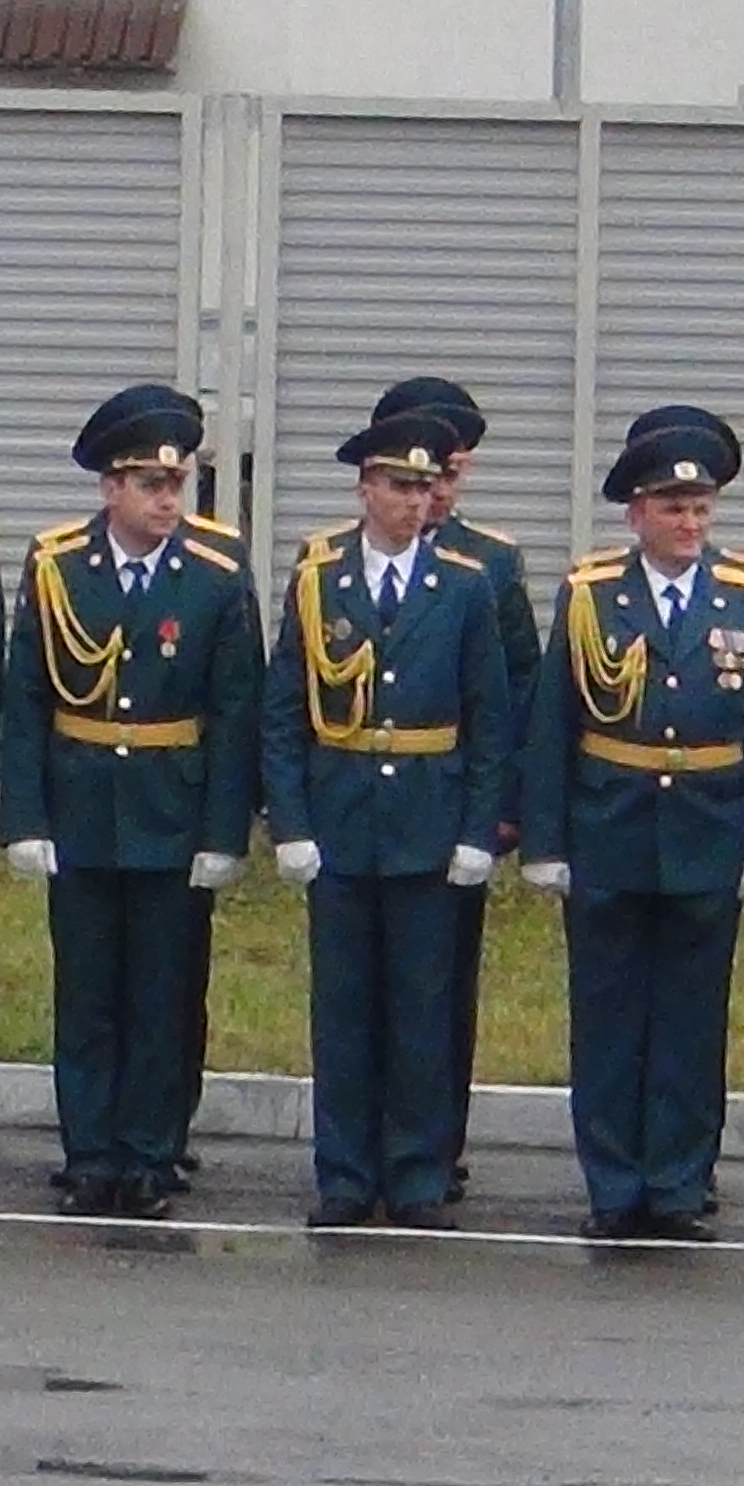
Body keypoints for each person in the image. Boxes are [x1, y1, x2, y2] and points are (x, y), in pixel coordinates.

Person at [522, 407, 744, 1239]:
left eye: (701, 508)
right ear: (636, 513)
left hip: (708, 830)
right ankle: (613, 1187)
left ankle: (679, 1184)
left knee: (689, 1020)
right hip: (611, 826)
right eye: (672, 508)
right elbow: (554, 723)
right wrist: (546, 841)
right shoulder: (590, 593)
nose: (688, 523)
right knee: (608, 1022)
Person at [1, 383, 261, 1218]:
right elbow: (27, 699)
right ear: (109, 489)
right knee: (86, 992)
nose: (165, 500)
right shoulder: (56, 567)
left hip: (170, 809)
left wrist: (224, 829)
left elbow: (234, 709)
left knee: (163, 993)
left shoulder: (217, 570)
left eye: (174, 485)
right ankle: (90, 1150)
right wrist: (26, 819)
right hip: (81, 804)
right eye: (148, 486)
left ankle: (151, 1151)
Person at [267, 403, 521, 1230]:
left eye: (425, 486)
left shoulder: (464, 586)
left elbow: (490, 717)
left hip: (427, 817)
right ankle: (343, 1173)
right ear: (365, 488)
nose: (414, 502)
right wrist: (293, 821)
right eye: (398, 485)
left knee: (420, 1008)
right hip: (342, 816)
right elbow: (284, 714)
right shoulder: (317, 581)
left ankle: (415, 1173)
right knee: (343, 1008)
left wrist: (479, 830)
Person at [380, 374, 537, 1197]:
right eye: (420, 474)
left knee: (442, 990)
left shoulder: (492, 562)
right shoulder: (331, 559)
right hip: (367, 808)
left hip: (453, 811)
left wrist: (506, 812)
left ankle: (436, 1143)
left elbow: (517, 693)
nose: (435, 490)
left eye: (451, 473)